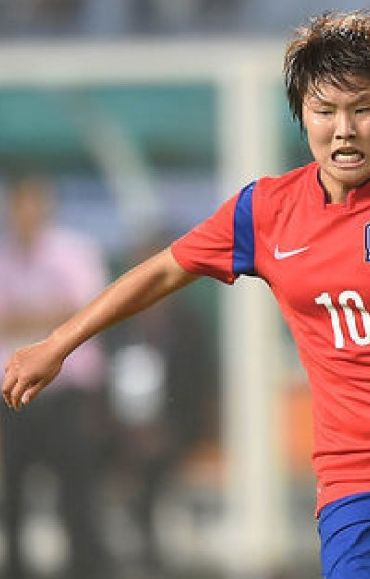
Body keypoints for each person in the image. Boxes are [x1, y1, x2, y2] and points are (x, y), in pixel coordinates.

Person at [1, 10, 370, 579]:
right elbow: (161, 271)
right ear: (301, 115)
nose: (344, 129)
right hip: (358, 486)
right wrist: (58, 342)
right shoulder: (264, 212)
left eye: (363, 109)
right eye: (325, 110)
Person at [0, 174, 111, 579]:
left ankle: (84, 567)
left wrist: (22, 314)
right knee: (10, 494)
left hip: (67, 394)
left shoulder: (76, 252)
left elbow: (87, 312)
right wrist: (53, 315)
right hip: (10, 394)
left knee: (77, 492)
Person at [106, 233, 220, 573]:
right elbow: (101, 378)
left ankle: (148, 548)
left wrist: (163, 425)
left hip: (175, 425)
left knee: (152, 457)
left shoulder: (188, 325)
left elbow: (199, 387)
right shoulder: (117, 322)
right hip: (120, 426)